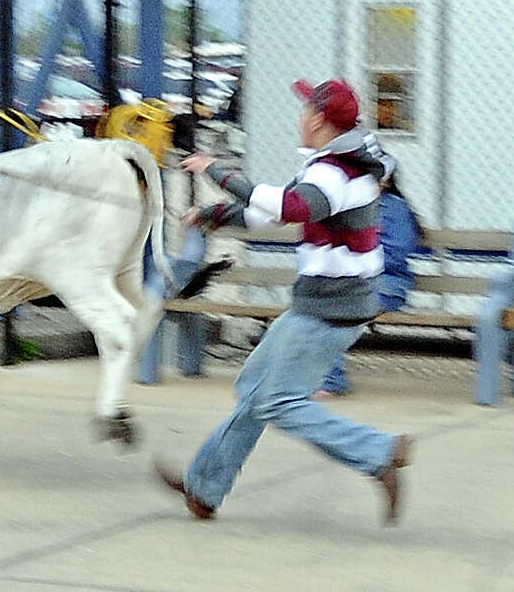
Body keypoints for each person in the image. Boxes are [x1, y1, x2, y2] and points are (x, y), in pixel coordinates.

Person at [155, 78, 413, 525]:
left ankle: (380, 453)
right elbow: (274, 209)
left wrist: (217, 171)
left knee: (276, 400)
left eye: (305, 110)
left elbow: (294, 207)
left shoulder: (336, 171)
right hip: (323, 303)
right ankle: (204, 489)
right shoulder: (334, 164)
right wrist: (214, 214)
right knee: (254, 390)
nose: (299, 118)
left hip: (332, 308)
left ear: (317, 119)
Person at [316, 167, 422, 397]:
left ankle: (333, 381)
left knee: (335, 311)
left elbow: (395, 255)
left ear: (385, 181)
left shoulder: (395, 208)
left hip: (387, 285)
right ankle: (319, 378)